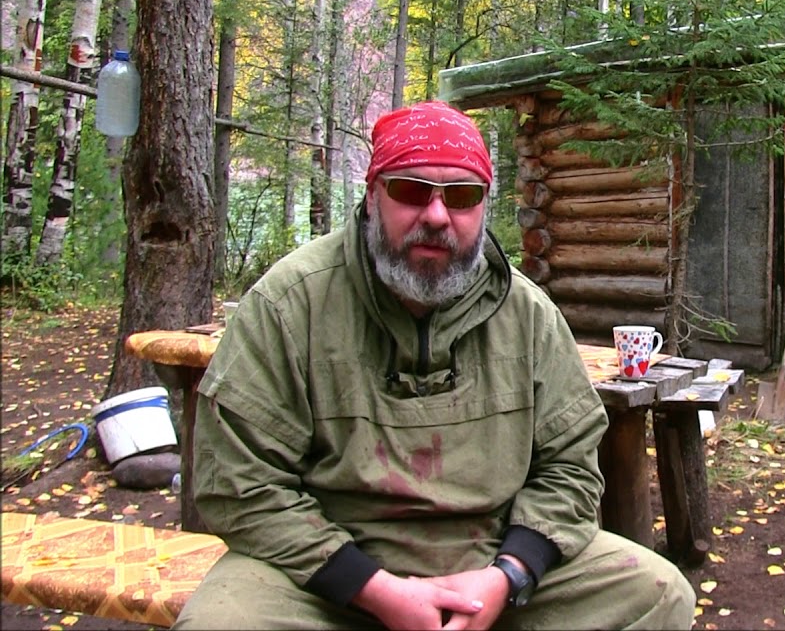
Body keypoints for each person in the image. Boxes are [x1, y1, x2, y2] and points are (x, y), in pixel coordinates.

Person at [174, 101, 695, 631]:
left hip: (490, 562)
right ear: (373, 195)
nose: (437, 216)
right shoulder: (290, 305)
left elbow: (570, 469)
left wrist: (508, 576)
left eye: (462, 197)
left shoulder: (528, 315)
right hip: (323, 574)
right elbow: (241, 482)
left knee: (658, 594)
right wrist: (373, 590)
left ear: (484, 206)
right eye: (411, 190)